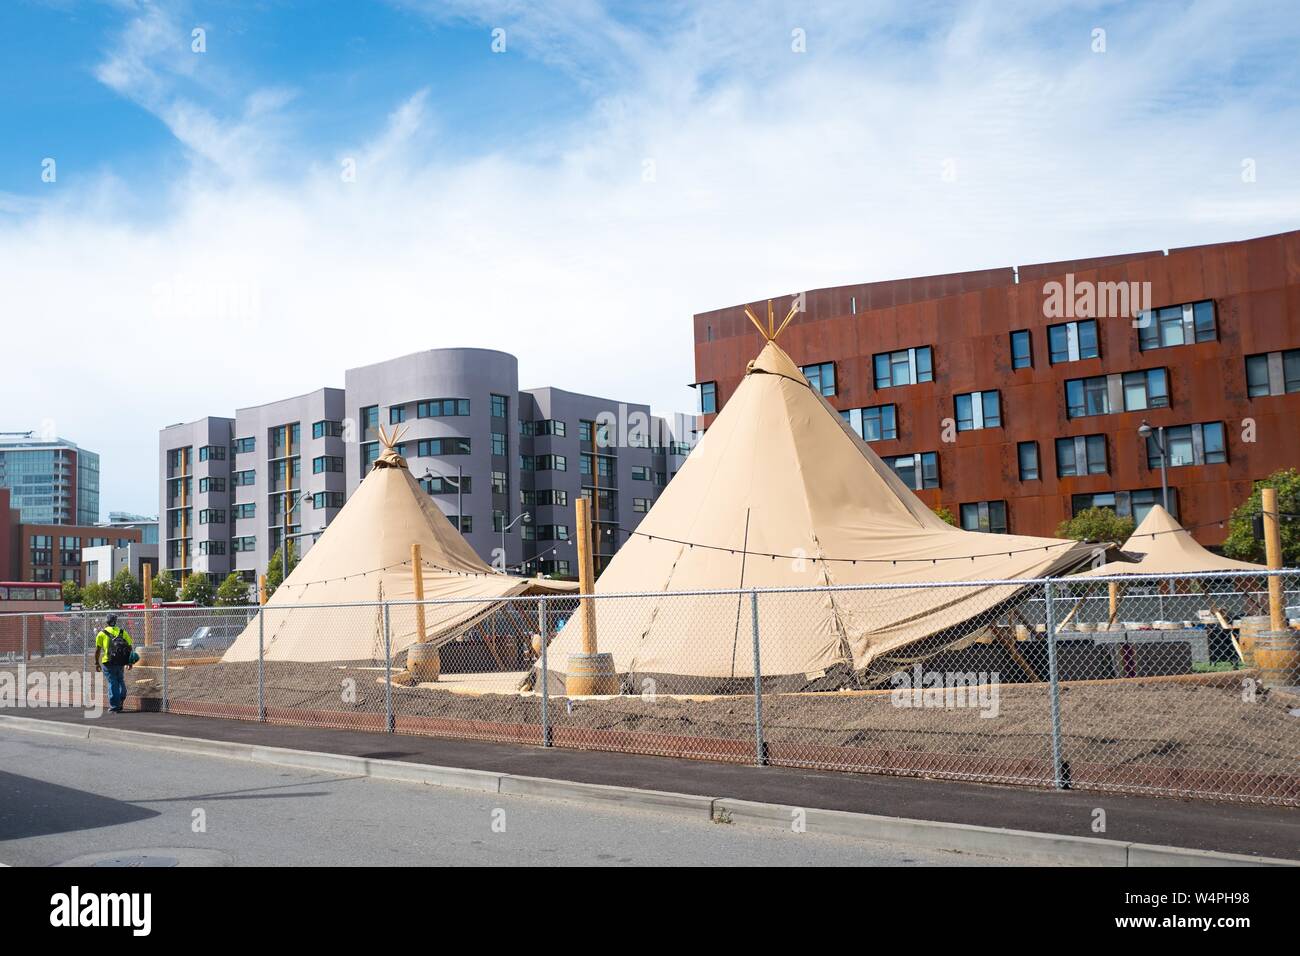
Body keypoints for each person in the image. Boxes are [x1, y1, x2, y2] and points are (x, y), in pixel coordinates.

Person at [94, 613, 135, 714]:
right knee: (120, 680)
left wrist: (96, 663)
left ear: (106, 622)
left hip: (108, 662)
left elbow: (98, 650)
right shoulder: (122, 632)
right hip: (120, 661)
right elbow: (129, 647)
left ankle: (114, 706)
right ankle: (121, 697)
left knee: (112, 682)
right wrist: (129, 661)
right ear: (115, 621)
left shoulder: (101, 634)